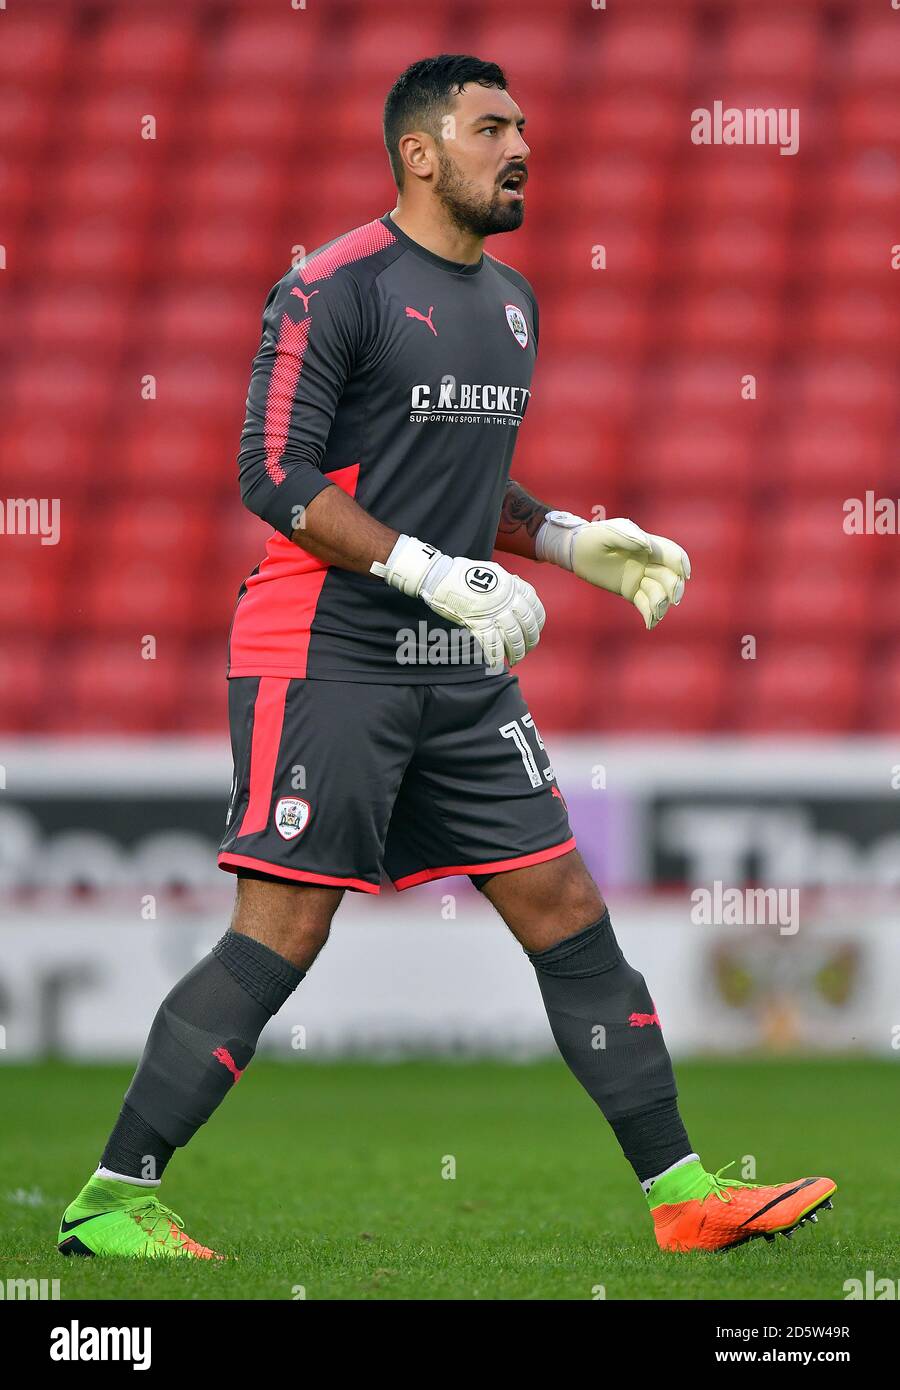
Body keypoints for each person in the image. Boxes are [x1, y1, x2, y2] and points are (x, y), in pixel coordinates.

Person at [58, 55, 834, 1260]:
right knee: (284, 929)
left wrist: (570, 538)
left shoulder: (515, 301)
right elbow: (276, 475)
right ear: (419, 152)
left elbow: (459, 482)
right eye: (490, 128)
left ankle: (683, 1195)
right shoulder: (332, 286)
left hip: (454, 661)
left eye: (523, 127)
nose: (519, 147)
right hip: (327, 649)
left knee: (565, 902)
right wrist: (427, 569)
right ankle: (115, 1196)